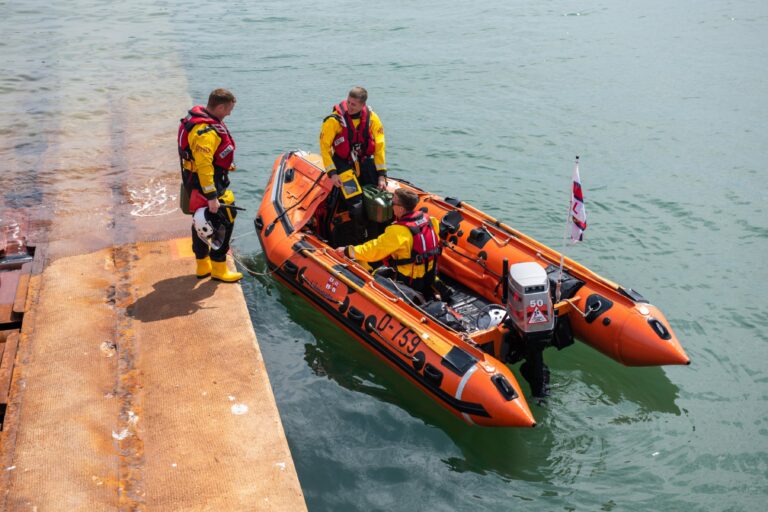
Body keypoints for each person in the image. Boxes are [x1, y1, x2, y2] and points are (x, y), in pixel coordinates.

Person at [178, 88, 242, 282]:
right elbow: (205, 165)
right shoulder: (206, 132)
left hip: (194, 178)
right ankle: (219, 268)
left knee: (200, 220)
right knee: (224, 219)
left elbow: (204, 159)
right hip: (206, 181)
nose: (230, 113)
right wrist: (212, 196)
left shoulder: (202, 121)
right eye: (229, 109)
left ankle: (202, 265)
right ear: (220, 106)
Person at [334, 188, 440, 296]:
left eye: (393, 203)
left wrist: (348, 251)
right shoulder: (430, 219)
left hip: (409, 281)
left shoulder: (398, 231)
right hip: (429, 274)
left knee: (371, 270)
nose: (390, 205)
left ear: (401, 209)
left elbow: (373, 251)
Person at [319, 86, 387, 244]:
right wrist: (332, 173)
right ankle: (358, 242)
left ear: (363, 105)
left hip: (364, 161)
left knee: (379, 202)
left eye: (354, 105)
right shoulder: (334, 120)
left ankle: (377, 239)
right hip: (343, 164)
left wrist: (382, 175)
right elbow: (325, 148)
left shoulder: (372, 118)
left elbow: (380, 146)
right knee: (357, 207)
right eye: (348, 102)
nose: (349, 107)